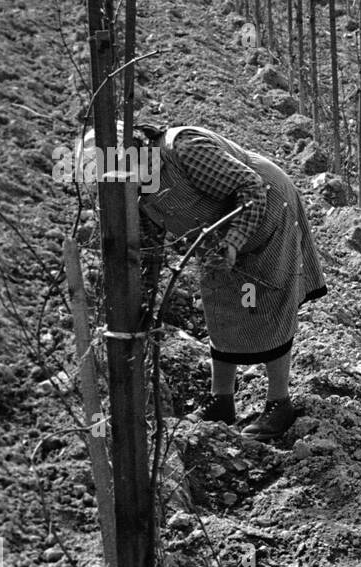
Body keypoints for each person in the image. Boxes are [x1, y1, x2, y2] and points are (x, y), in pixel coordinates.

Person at [135, 123, 327, 439]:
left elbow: (251, 189)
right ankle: (220, 400)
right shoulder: (139, 188)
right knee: (220, 305)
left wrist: (234, 242)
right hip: (216, 234)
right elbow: (150, 245)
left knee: (266, 303)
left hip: (268, 210)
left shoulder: (184, 150)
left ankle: (279, 403)